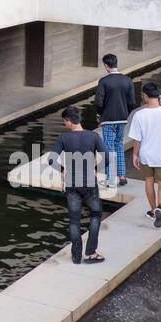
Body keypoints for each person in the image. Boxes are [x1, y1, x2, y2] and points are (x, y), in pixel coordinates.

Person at [47, 106, 108, 264]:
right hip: (89, 182)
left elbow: (51, 159)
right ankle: (91, 252)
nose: (64, 124)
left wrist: (62, 170)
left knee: (74, 220)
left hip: (72, 183)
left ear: (69, 121)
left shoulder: (64, 138)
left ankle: (76, 256)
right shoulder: (93, 136)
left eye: (64, 122)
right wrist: (95, 169)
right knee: (95, 215)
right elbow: (106, 158)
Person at [127, 82, 161, 228]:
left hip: (146, 155)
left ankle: (152, 210)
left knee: (149, 181)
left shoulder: (139, 115)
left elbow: (137, 139)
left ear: (145, 96)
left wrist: (135, 155)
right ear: (159, 96)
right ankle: (160, 208)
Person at [94, 52, 135, 188]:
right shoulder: (127, 80)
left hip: (108, 120)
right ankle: (122, 176)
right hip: (122, 119)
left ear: (106, 66)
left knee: (109, 148)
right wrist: (125, 114)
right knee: (119, 146)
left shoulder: (104, 81)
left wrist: (100, 115)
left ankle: (110, 179)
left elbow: (99, 102)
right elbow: (132, 102)